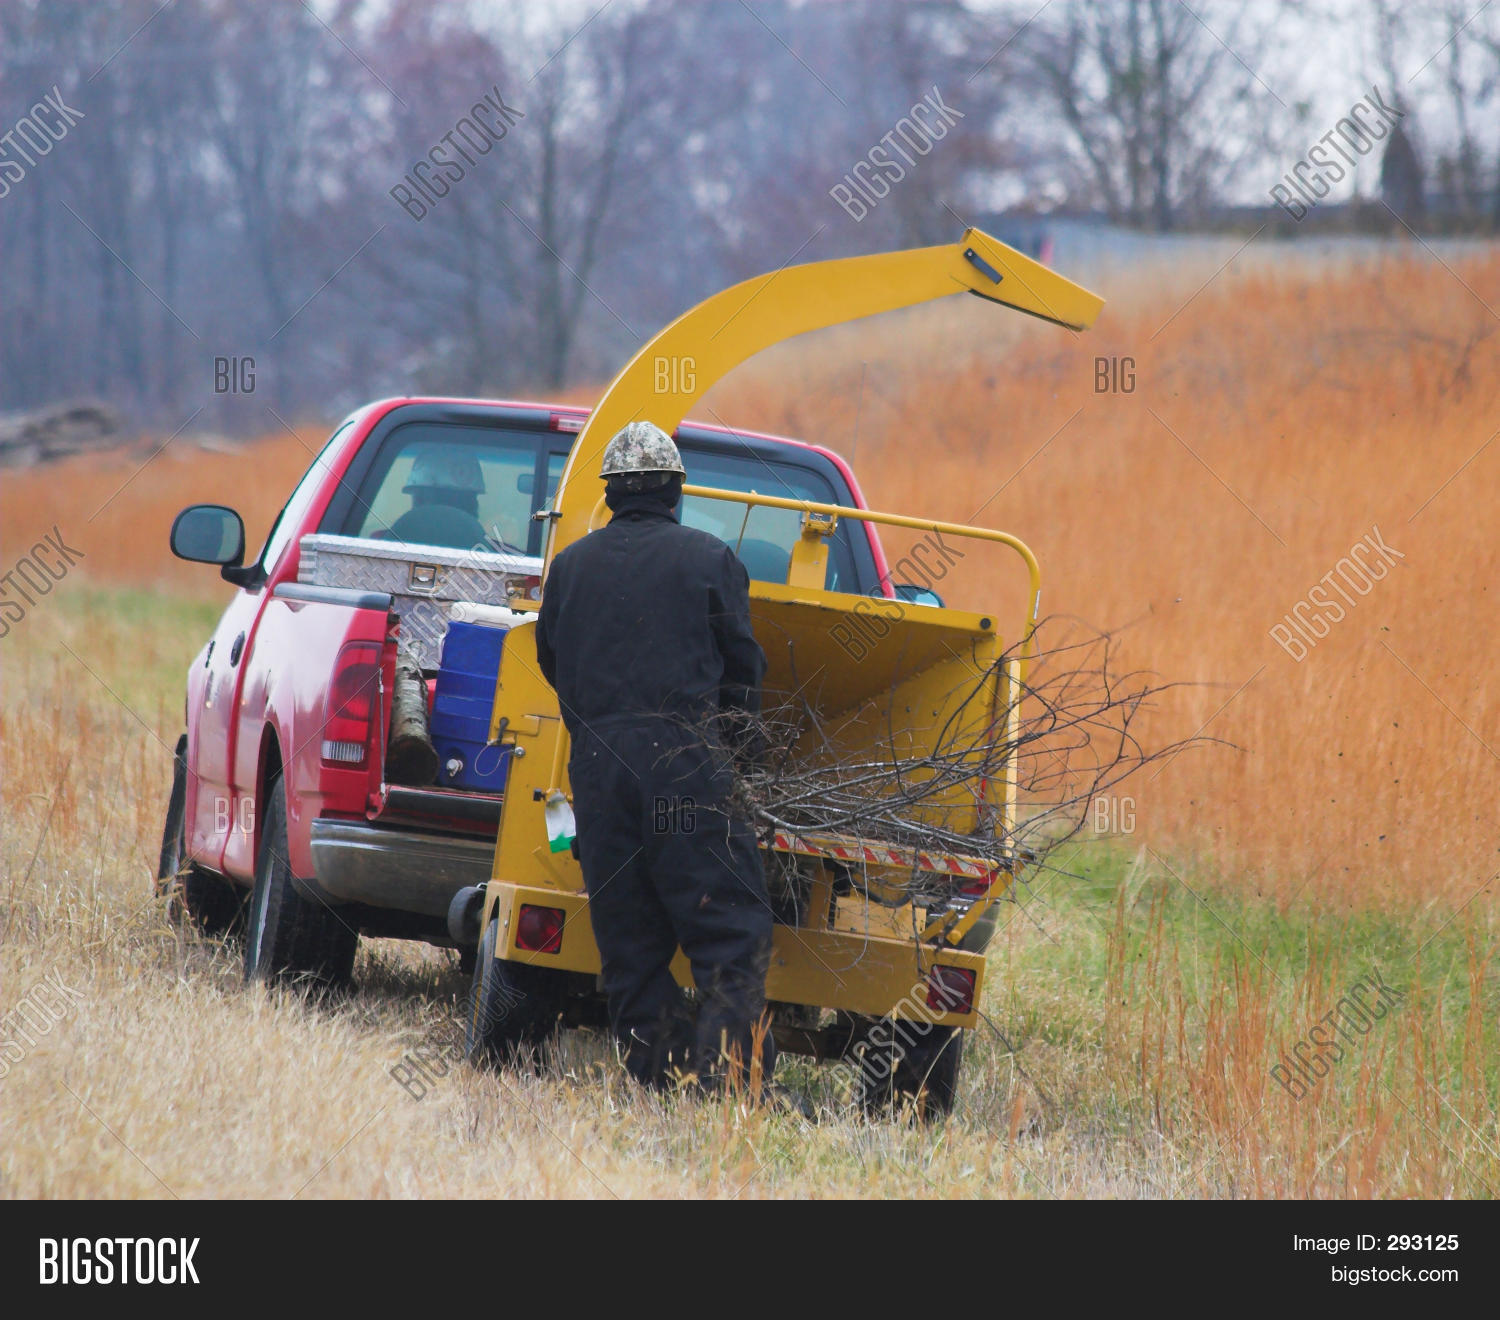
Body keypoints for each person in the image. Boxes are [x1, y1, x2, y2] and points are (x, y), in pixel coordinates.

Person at [534, 420, 774, 1092]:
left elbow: (550, 658)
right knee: (728, 935)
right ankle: (729, 1085)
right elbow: (741, 670)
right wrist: (740, 755)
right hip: (685, 773)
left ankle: (664, 1081)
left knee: (630, 948)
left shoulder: (570, 568)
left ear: (610, 495)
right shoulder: (710, 560)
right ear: (676, 490)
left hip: (601, 782)